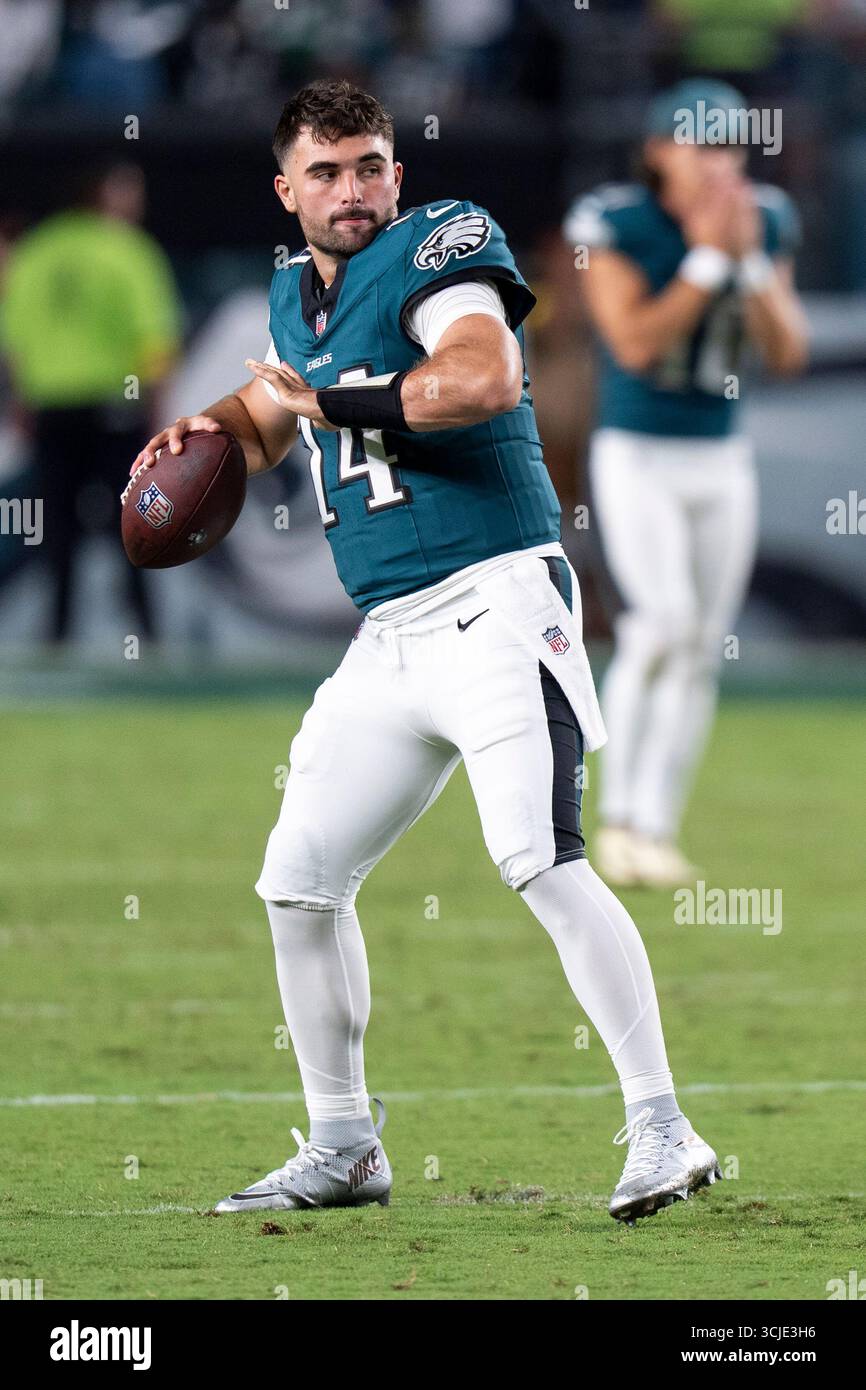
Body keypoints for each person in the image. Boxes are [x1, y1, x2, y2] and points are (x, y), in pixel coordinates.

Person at [129, 78, 721, 1224]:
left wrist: (333, 402)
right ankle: (345, 1142)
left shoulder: (444, 246)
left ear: (396, 174)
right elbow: (267, 414)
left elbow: (479, 377)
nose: (350, 193)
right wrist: (207, 427)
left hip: (494, 601)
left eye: (367, 168)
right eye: (325, 173)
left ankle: (661, 1126)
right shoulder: (291, 293)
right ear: (284, 188)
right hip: (386, 637)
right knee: (295, 882)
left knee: (540, 859)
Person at [564, 80, 808, 888]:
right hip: (637, 451)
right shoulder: (619, 220)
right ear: (660, 149)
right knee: (659, 627)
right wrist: (707, 261)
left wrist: (752, 267)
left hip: (720, 456)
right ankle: (618, 820)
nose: (717, 163)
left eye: (730, 146)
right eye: (701, 144)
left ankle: (658, 828)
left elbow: (787, 352)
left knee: (701, 645)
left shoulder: (764, 219)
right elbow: (632, 343)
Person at [1, 161, 181, 643]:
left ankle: (57, 635)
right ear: (105, 194)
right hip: (113, 410)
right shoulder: (126, 249)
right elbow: (156, 341)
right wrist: (157, 411)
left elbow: (15, 338)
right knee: (135, 524)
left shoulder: (37, 250)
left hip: (52, 409)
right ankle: (148, 633)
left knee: (57, 529)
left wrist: (23, 403)